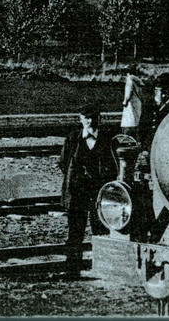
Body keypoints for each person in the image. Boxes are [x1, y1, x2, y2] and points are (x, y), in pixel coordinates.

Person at [59, 105, 115, 275]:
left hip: (99, 193)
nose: (90, 121)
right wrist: (78, 179)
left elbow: (114, 165)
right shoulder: (73, 138)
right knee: (75, 232)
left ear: (99, 118)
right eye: (86, 117)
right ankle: (72, 268)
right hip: (77, 193)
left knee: (101, 231)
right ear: (80, 119)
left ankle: (103, 267)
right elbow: (64, 163)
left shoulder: (108, 139)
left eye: (93, 117)